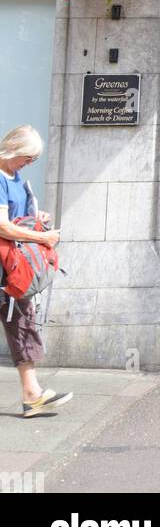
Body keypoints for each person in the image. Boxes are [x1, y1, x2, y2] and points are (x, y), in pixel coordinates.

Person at [0, 126, 73, 418]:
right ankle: (32, 395)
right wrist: (42, 238)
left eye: (33, 160)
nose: (29, 164)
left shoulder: (16, 179)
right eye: (27, 158)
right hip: (6, 268)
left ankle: (32, 394)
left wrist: (35, 219)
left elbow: (14, 221)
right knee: (21, 323)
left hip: (13, 270)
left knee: (22, 323)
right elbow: (2, 226)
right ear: (13, 150)